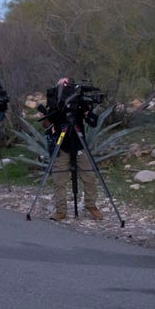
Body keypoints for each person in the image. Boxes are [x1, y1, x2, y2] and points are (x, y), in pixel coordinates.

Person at [40, 77, 102, 220]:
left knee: (89, 176)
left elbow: (92, 122)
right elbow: (47, 125)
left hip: (78, 143)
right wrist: (46, 118)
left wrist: (88, 111)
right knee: (59, 179)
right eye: (62, 84)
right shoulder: (55, 102)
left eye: (67, 83)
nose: (64, 86)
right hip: (62, 144)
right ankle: (61, 210)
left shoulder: (79, 102)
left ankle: (91, 205)